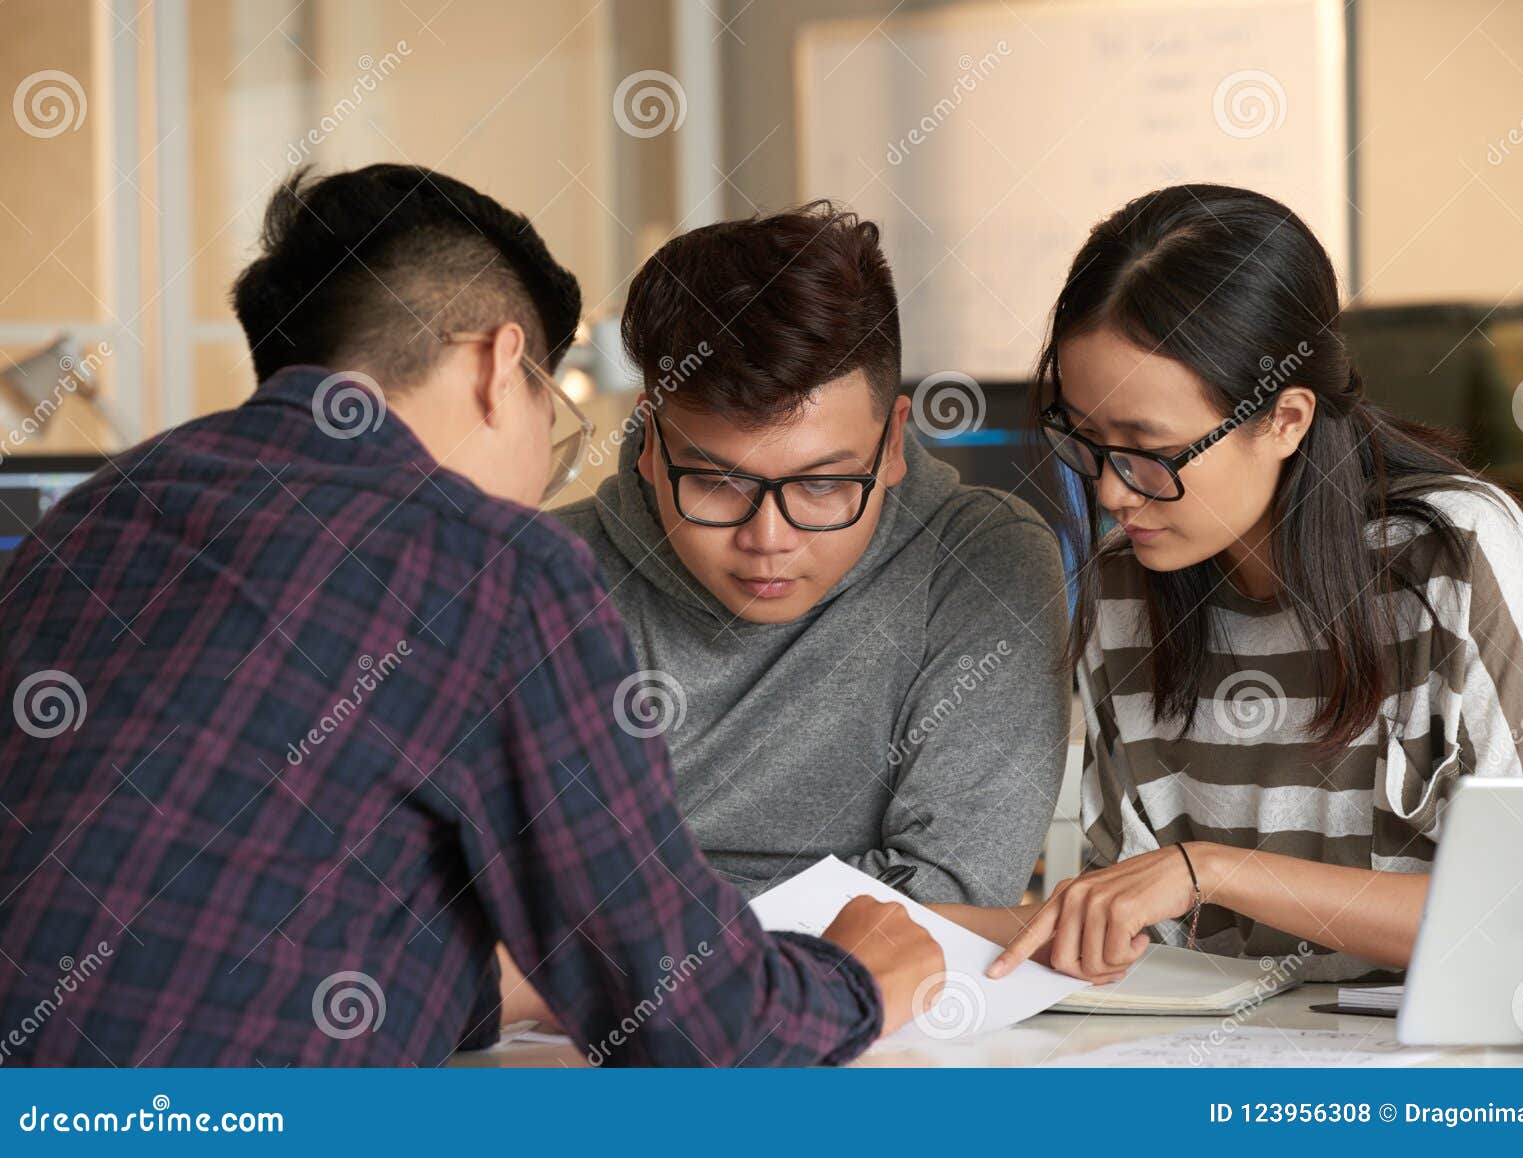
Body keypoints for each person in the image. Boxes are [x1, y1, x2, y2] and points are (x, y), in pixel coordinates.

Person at [0, 164, 942, 1067]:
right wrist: (853, 976)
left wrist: (505, 985)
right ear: (501, 365)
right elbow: (695, 1034)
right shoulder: (496, 566)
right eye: (551, 409)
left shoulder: (88, 519)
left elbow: (256, 941)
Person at [941, 184, 1523, 984]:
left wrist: (1209, 870)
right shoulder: (1125, 585)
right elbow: (1136, 935)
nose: (1113, 493)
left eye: (1151, 449)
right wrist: (906, 928)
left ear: (1285, 418)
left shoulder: (1455, 557)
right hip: (1206, 1065)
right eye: (1085, 441)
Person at [554, 203, 1071, 907]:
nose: (769, 540)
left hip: (886, 1014)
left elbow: (953, 895)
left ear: (891, 445)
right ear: (650, 442)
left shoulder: (982, 565)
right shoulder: (538, 572)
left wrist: (627, 918)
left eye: (824, 484)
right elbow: (491, 888)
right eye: (718, 481)